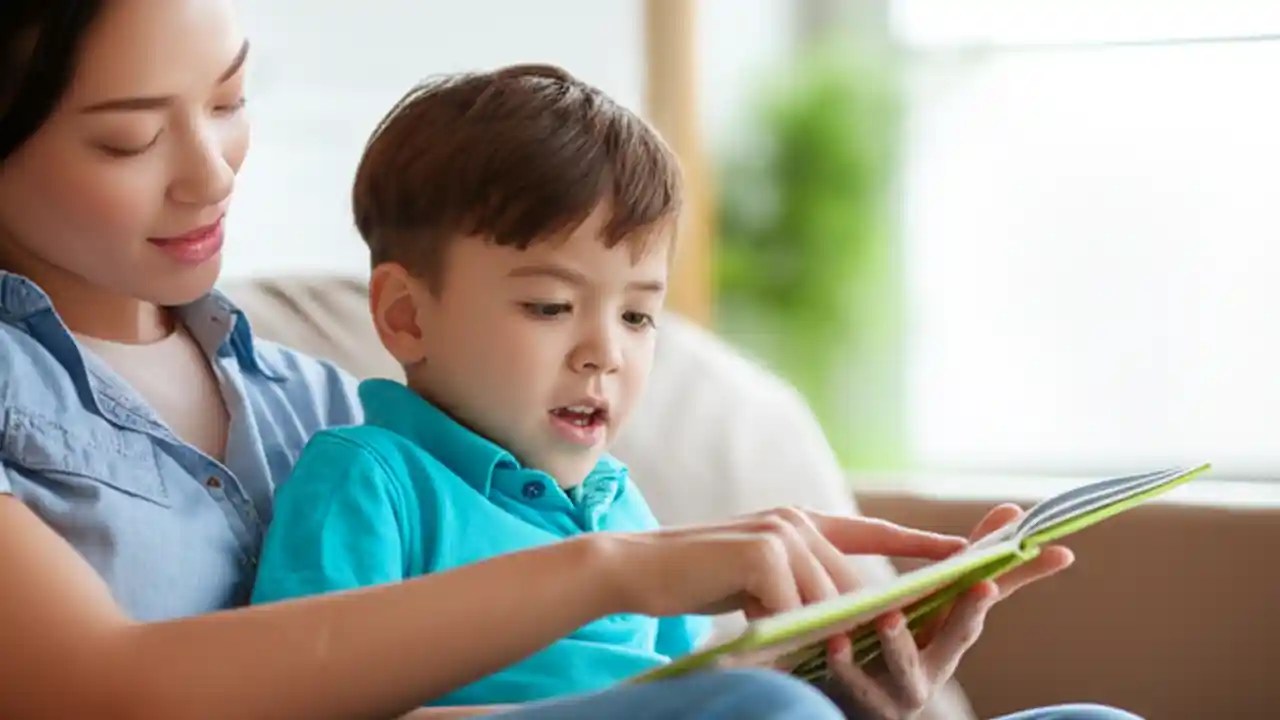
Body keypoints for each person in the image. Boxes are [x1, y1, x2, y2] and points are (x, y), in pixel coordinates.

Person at [0, 2, 1136, 719]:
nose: (213, 175)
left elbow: (684, 672)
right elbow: (109, 690)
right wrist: (619, 570)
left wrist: (851, 675)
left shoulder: (304, 391)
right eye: (131, 137)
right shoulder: (362, 462)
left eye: (233, 97)